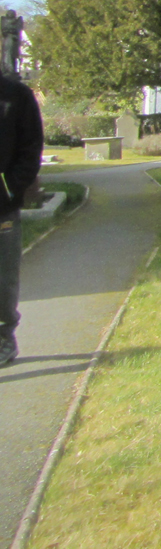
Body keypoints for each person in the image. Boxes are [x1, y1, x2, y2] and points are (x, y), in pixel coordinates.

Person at [1, 71, 45, 366]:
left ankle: (5, 336)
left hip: (2, 207)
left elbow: (31, 148)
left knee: (3, 278)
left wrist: (7, 189)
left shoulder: (16, 96)